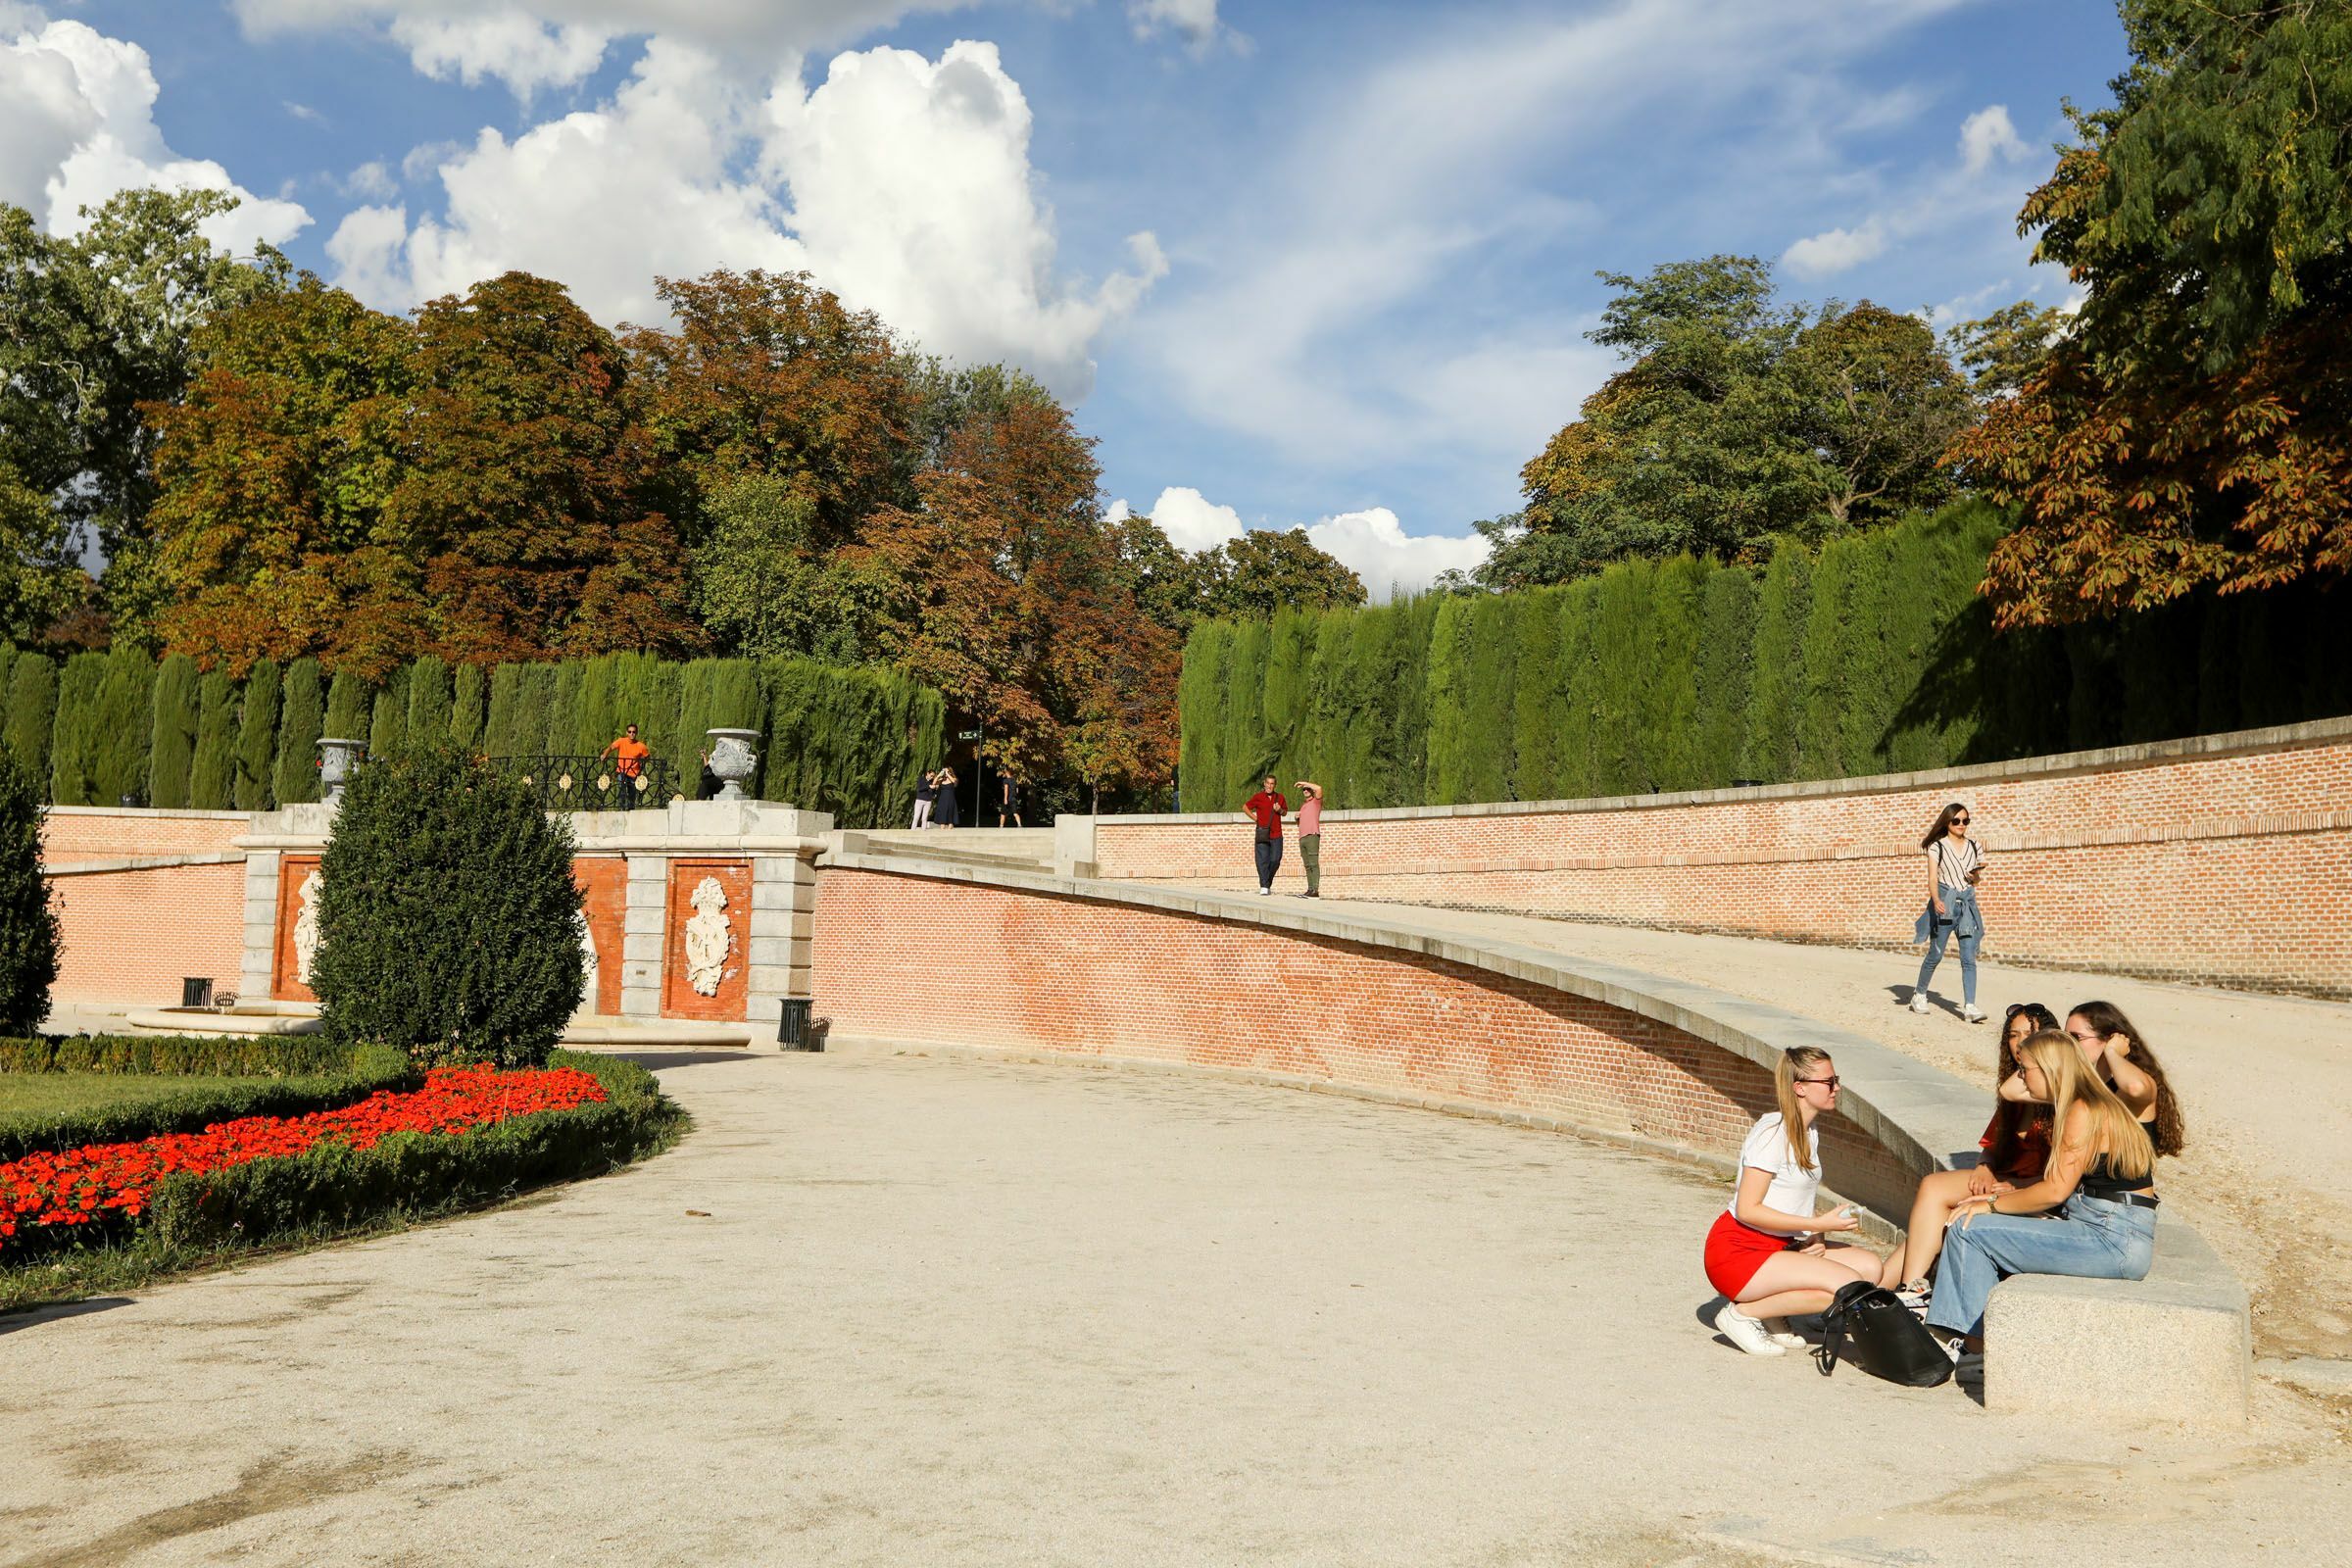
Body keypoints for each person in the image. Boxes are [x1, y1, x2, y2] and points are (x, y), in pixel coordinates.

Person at [1924, 1029, 2160, 1360]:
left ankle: (1974, 1352)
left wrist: (1989, 1203)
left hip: (2110, 1237)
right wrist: (2033, 1066)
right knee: (1978, 1223)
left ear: (2051, 1071)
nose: (2019, 1076)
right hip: (2111, 1226)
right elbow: (2010, 1091)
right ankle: (1967, 1339)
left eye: (2025, 1069)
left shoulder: (2082, 1110)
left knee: (1969, 1230)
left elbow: (2054, 1190)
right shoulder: (2090, 1099)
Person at [1703, 1046, 1884, 1356]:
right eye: (1828, 1082)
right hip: (1738, 1252)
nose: (1836, 1088)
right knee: (1848, 1285)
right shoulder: (1773, 1133)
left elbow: (1791, 1198)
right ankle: (1742, 1315)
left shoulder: (1809, 1130)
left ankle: (1777, 1312)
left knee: (1869, 1269)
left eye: (1835, 1079)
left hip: (1780, 1246)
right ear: (1800, 1088)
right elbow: (1748, 1209)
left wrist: (1815, 1235)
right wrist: (1815, 1224)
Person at [1878, 1002, 2059, 1298]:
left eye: (2030, 1033)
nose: (2020, 1042)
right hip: (2004, 1180)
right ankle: (1903, 1290)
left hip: (2038, 1193)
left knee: (1945, 1218)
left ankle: (1894, 1293)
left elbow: (2067, 1178)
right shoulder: (2017, 1091)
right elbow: (1991, 1147)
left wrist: (2015, 1185)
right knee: (1933, 1189)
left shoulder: (2058, 1092)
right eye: (2013, 1035)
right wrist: (1984, 1166)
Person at [1910, 801, 1987, 1022]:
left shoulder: (1975, 846)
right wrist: (1936, 900)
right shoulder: (1938, 846)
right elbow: (1933, 877)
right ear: (1948, 821)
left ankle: (1970, 1006)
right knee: (1936, 953)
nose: (1962, 824)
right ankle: (1920, 994)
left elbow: (1977, 880)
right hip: (1946, 902)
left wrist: (1976, 877)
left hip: (1967, 906)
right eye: (1957, 820)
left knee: (1968, 957)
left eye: (1965, 820)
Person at [1243, 776, 1287, 896]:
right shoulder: (1258, 797)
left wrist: (1279, 810)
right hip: (1262, 832)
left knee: (1275, 860)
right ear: (1264, 784)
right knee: (1262, 860)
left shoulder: (1280, 797)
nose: (1269, 786)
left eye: (1272, 784)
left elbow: (1285, 813)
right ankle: (1264, 886)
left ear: (1275, 785)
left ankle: (1267, 882)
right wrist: (1256, 819)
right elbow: (1245, 807)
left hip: (1276, 834)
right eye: (1268, 783)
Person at [600, 723, 653, 802]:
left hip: (634, 773)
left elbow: (647, 756)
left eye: (634, 732)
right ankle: (622, 807)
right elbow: (611, 747)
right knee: (622, 787)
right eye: (630, 731)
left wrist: (641, 760)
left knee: (632, 794)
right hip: (622, 771)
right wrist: (604, 754)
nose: (632, 734)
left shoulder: (641, 746)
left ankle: (630, 808)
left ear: (636, 733)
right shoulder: (621, 741)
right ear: (627, 732)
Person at [1294, 780, 1324, 897]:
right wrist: (1297, 817)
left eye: (1307, 789)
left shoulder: (1316, 802)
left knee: (1313, 863)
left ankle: (1315, 890)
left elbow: (1319, 788)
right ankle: (1310, 889)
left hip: (1312, 835)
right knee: (1307, 865)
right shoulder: (1303, 806)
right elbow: (1301, 823)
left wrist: (1305, 783)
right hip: (1302, 837)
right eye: (1304, 790)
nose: (1305, 791)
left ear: (1312, 790)